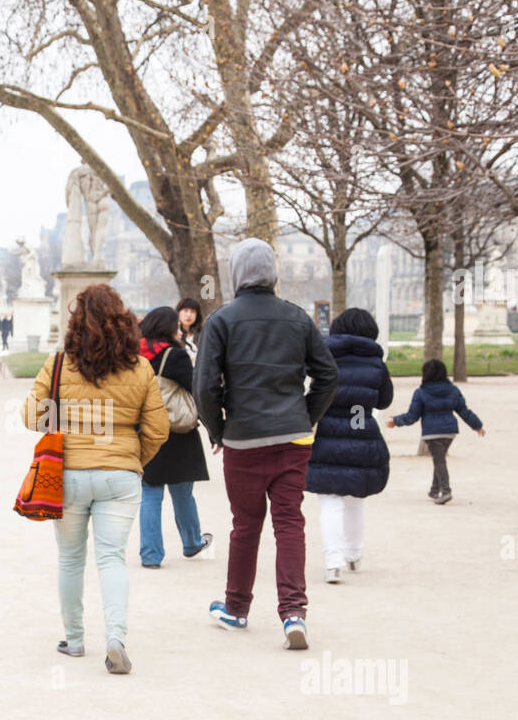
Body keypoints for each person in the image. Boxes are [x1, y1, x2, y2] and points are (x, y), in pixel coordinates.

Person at [194, 238, 338, 649]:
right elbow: (328, 376)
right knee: (289, 522)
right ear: (272, 272)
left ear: (236, 273)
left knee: (246, 525)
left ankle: (237, 608)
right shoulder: (297, 319)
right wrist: (306, 415)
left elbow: (204, 386)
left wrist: (217, 428)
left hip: (243, 439)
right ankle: (294, 612)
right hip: (293, 437)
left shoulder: (221, 321)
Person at [21, 284, 169, 675]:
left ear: (74, 322)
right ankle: (115, 638)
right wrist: (133, 458)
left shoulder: (58, 364)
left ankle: (73, 638)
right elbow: (158, 429)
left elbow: (30, 417)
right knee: (112, 558)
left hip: (67, 473)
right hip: (119, 475)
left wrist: (64, 419)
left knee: (70, 559)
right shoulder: (141, 368)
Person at [304, 307, 393, 583]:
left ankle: (333, 563)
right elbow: (383, 400)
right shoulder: (376, 363)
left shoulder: (324, 356)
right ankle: (354, 555)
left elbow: (311, 391)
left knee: (330, 501)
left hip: (328, 433)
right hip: (361, 431)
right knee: (356, 499)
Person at [137, 306, 211, 568]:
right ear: (166, 328)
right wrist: (214, 426)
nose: (180, 330)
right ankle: (191, 542)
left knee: (150, 493)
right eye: (177, 327)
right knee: (182, 491)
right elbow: (197, 390)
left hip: (146, 430)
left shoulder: (135, 356)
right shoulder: (175, 356)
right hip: (177, 431)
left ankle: (151, 554)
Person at [386, 358, 485, 504]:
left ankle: (446, 491)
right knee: (439, 459)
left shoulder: (420, 393)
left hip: (432, 432)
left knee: (439, 460)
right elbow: (464, 411)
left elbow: (412, 416)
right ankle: (434, 490)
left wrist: (395, 421)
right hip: (450, 432)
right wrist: (477, 426)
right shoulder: (453, 390)